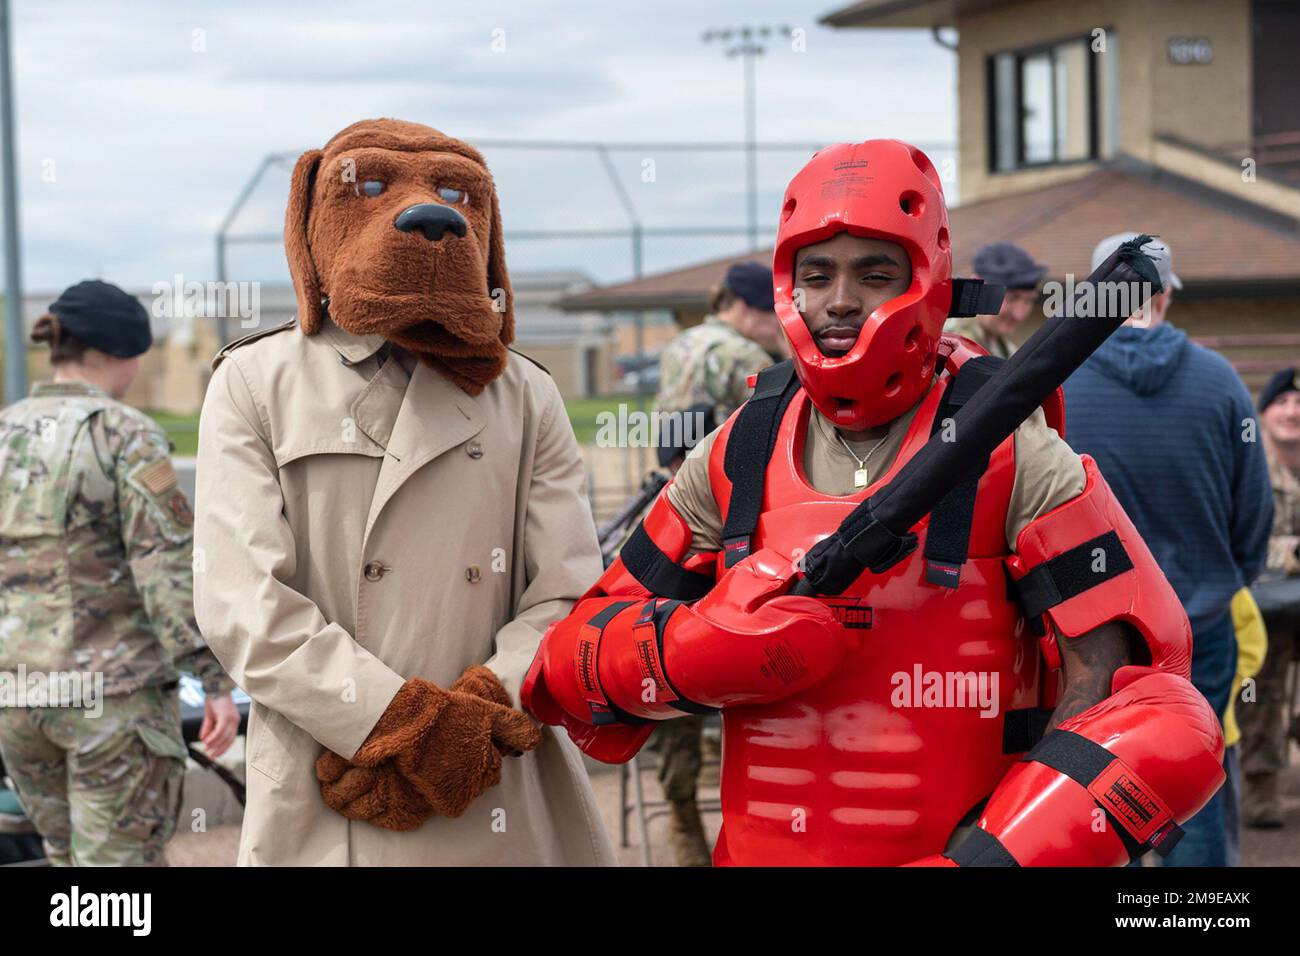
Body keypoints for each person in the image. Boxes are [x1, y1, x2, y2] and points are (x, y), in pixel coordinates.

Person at [523, 140, 1225, 866]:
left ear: (931, 282)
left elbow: (1138, 701)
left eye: (875, 273)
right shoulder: (742, 447)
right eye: (816, 274)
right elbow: (569, 665)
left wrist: (998, 857)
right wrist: (689, 655)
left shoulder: (1013, 448)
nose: (840, 300)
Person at [193, 119, 615, 865]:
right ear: (312, 225)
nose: (431, 215)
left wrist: (478, 715)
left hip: (489, 769)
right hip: (334, 772)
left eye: (457, 196)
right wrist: (397, 723)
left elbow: (568, 591)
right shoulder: (256, 384)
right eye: (374, 187)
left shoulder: (526, 395)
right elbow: (243, 603)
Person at [0, 279, 238, 866]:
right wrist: (213, 683)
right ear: (120, 353)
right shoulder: (125, 435)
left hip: (20, 700)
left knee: (65, 862)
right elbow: (167, 568)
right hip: (112, 703)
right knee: (118, 874)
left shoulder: (5, 432)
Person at [1062, 233, 1273, 865]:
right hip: (1198, 619)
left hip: (1085, 628)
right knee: (1197, 776)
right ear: (1166, 295)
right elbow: (1253, 514)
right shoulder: (1222, 383)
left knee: (1079, 785)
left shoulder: (1057, 386)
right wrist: (1224, 577)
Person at [648, 261, 778, 866]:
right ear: (753, 310)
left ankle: (681, 822)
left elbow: (671, 443)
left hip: (671, 525)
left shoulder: (682, 345)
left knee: (671, 662)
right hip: (731, 530)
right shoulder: (741, 353)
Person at [1240, 367, 1300, 828]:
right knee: (1260, 685)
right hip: (1264, 603)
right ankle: (1260, 786)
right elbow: (1243, 536)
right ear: (1264, 412)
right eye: (1282, 401)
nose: (1293, 411)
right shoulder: (1249, 461)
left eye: (1299, 404)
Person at [943, 241, 1046, 358]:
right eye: (1011, 298)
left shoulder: (1007, 352)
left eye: (1029, 301)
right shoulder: (946, 348)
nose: (1019, 315)